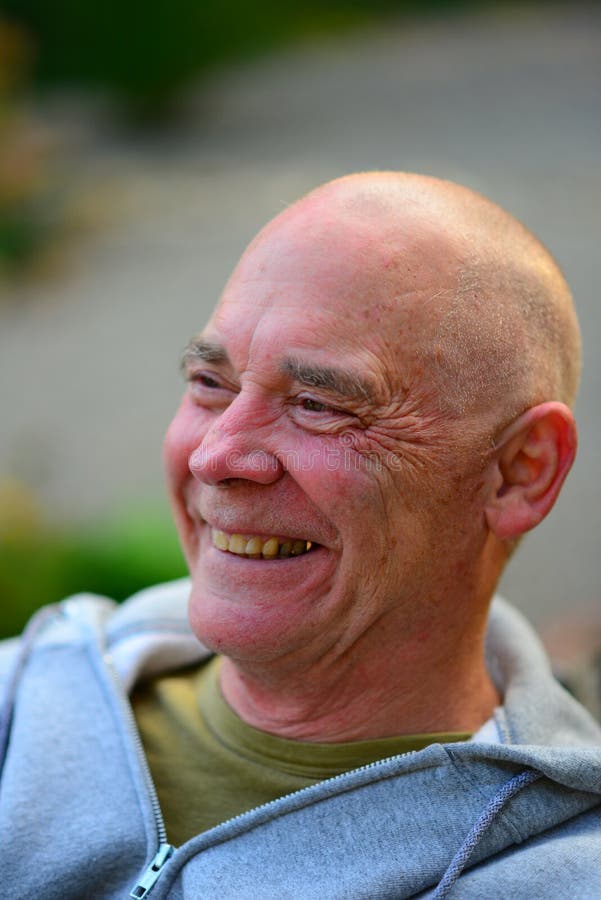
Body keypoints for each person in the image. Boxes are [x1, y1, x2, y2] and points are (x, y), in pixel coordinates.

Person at [1, 172, 600, 899]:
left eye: (316, 404)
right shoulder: (22, 697)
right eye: (208, 383)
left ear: (517, 472)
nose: (214, 456)